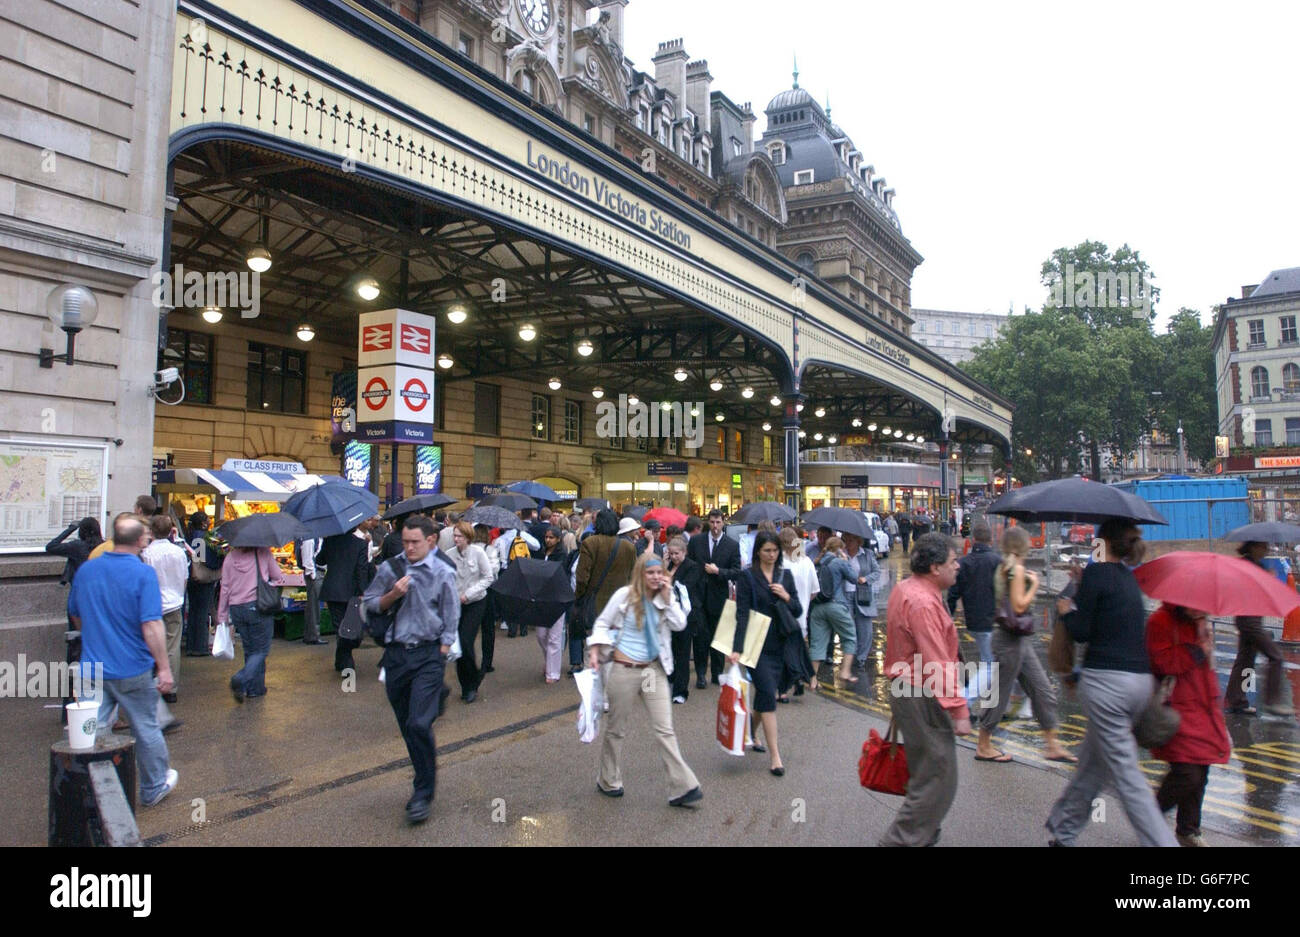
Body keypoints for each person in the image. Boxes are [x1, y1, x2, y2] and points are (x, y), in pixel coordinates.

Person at [1047, 519, 1178, 847]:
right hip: (1139, 684)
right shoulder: (1125, 578)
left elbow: (1081, 631)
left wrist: (1065, 609)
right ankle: (1063, 831)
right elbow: (1108, 616)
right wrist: (1082, 585)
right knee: (1093, 766)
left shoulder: (1097, 574)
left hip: (1107, 685)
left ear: (1101, 542)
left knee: (1128, 779)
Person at [70, 514, 178, 805]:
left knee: (91, 729)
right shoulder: (143, 574)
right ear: (141, 540)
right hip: (132, 667)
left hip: (92, 666)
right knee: (145, 727)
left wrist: (93, 638)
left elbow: (76, 613)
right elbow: (152, 625)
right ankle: (153, 786)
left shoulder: (87, 571)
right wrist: (164, 668)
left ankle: (88, 787)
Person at [364, 515, 461, 823]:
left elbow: (451, 614)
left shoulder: (443, 572)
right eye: (405, 541)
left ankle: (422, 793)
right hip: (396, 657)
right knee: (408, 726)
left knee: (420, 724)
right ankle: (423, 771)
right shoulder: (390, 568)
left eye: (415, 542)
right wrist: (393, 594)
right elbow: (368, 604)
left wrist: (443, 650)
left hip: (429, 656)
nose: (409, 547)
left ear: (430, 541)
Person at [588, 552, 702, 807]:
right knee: (616, 729)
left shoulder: (665, 598)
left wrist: (668, 599)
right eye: (650, 572)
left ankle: (682, 787)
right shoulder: (624, 596)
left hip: (654, 671)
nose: (655, 577)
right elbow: (601, 624)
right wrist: (595, 650)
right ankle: (608, 780)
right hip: (624, 669)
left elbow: (680, 625)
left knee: (665, 729)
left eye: (659, 572)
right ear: (641, 574)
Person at [879, 533, 970, 846]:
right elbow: (936, 660)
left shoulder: (908, 588)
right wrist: (959, 709)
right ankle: (901, 841)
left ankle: (923, 837)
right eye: (952, 561)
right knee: (938, 777)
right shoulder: (923, 602)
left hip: (909, 690)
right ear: (935, 567)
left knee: (927, 774)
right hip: (921, 693)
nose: (957, 566)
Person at [973, 526, 1075, 763]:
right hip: (1009, 641)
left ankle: (1052, 745)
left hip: (1017, 640)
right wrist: (1035, 585)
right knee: (1000, 694)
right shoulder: (1016, 569)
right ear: (1021, 545)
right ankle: (983, 745)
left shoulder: (1007, 568)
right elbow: (1019, 606)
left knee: (1042, 690)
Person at [1146, 603, 1231, 847]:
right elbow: (1161, 663)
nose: (1200, 610)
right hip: (1176, 709)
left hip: (1203, 709)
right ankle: (1150, 816)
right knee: (1187, 773)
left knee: (1201, 771)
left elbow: (1207, 672)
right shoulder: (1160, 621)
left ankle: (1188, 829)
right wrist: (1197, 651)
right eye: (1195, 607)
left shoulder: (1200, 623)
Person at [728, 530, 803, 775]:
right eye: (767, 550)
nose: (772, 555)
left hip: (781, 643)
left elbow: (798, 610)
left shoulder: (786, 575)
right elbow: (741, 613)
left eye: (775, 550)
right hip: (756, 645)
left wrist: (786, 596)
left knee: (765, 694)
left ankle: (750, 728)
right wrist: (736, 649)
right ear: (758, 551)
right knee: (769, 694)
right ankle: (776, 757)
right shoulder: (747, 576)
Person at [1224, 541, 1292, 717]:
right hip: (1249, 621)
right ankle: (1272, 701)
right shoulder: (1245, 566)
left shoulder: (1258, 565)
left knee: (1246, 662)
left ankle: (1237, 700)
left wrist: (1267, 578)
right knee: (1275, 656)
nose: (1266, 549)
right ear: (1252, 546)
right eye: (1263, 546)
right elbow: (1243, 590)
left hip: (1253, 619)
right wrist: (1265, 579)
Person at [217, 537, 287, 702]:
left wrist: (222, 615)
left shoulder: (230, 558)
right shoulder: (262, 553)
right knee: (261, 650)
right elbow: (278, 576)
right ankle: (241, 678)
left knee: (250, 649)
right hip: (257, 606)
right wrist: (268, 581)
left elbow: (224, 587)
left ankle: (255, 688)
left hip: (236, 609)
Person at [574, 509, 638, 671]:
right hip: (621, 608)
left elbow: (581, 578)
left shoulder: (590, 543)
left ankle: (594, 690)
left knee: (593, 649)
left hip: (595, 606)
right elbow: (634, 578)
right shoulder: (628, 547)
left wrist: (580, 597)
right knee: (618, 650)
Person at [686, 509, 741, 686]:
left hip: (719, 597)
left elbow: (736, 571)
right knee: (701, 638)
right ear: (708, 523)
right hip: (699, 597)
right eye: (712, 522)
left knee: (719, 638)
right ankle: (701, 675)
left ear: (723, 523)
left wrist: (719, 571)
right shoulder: (696, 541)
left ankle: (717, 673)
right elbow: (691, 565)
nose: (715, 526)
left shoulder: (731, 545)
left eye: (718, 522)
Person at [947, 520, 999, 702]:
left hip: (973, 620)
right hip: (993, 621)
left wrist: (949, 619)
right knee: (990, 664)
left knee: (995, 662)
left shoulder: (964, 564)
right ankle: (966, 700)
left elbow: (953, 594)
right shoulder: (997, 562)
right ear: (991, 540)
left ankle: (998, 703)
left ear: (974, 539)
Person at [142, 515, 189, 704]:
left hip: (152, 604)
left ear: (151, 532)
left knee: (148, 643)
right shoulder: (178, 552)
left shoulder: (146, 553)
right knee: (172, 645)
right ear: (171, 531)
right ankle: (171, 687)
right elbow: (184, 577)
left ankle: (148, 683)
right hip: (174, 603)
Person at [318, 526, 374, 674]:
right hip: (352, 591)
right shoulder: (361, 544)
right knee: (350, 627)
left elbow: (319, 559)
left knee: (339, 627)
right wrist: (364, 591)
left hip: (333, 590)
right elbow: (361, 570)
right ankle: (347, 661)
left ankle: (340, 660)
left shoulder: (329, 541)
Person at [449, 521, 494, 702]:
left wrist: (468, 594)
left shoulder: (478, 553)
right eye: (455, 535)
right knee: (459, 646)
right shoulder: (449, 555)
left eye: (459, 536)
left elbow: (488, 577)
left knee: (466, 641)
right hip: (456, 604)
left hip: (475, 602)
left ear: (468, 537)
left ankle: (472, 682)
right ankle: (466, 684)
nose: (456, 539)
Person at [808, 537, 860, 684]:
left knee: (817, 643)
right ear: (839, 549)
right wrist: (845, 561)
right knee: (849, 637)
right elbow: (854, 578)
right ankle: (845, 672)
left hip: (817, 607)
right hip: (836, 605)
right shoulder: (838, 562)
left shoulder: (817, 562)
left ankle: (813, 679)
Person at [778, 527, 819, 698]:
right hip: (801, 616)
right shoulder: (807, 562)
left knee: (784, 655)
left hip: (784, 617)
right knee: (796, 651)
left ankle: (783, 691)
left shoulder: (781, 564)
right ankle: (799, 684)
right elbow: (815, 591)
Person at [664, 535, 703, 703]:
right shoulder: (668, 565)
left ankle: (681, 691)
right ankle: (670, 682)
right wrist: (665, 566)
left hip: (685, 614)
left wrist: (669, 578)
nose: (674, 557)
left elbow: (685, 586)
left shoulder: (692, 566)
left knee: (683, 654)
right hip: (668, 615)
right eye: (671, 554)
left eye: (677, 554)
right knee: (669, 650)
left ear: (684, 552)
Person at [536, 525, 572, 683]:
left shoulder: (562, 555)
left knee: (554, 637)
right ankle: (550, 662)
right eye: (546, 537)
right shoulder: (541, 553)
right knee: (541, 635)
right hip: (541, 598)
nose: (548, 540)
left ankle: (553, 672)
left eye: (551, 537)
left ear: (558, 539)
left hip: (557, 598)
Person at [842, 532, 882, 672]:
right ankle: (849, 655)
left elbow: (877, 572)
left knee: (864, 627)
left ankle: (861, 658)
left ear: (858, 541)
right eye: (846, 540)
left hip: (862, 594)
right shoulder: (841, 554)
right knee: (848, 627)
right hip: (845, 594)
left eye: (852, 540)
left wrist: (866, 579)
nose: (849, 542)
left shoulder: (868, 554)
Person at [184, 512, 221, 656]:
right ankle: (200, 646)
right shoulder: (210, 536)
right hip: (205, 576)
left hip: (192, 575)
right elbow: (222, 551)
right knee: (203, 611)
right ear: (204, 523)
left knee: (193, 610)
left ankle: (191, 645)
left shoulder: (189, 535)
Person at [46, 516, 103, 586]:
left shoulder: (77, 546)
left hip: (81, 586)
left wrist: (71, 529)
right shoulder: (105, 546)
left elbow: (51, 547)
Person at [295, 534, 326, 644]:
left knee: (313, 605)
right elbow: (308, 558)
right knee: (314, 605)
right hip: (315, 574)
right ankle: (313, 636)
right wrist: (312, 574)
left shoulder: (316, 537)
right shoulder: (311, 537)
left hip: (317, 573)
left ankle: (310, 635)